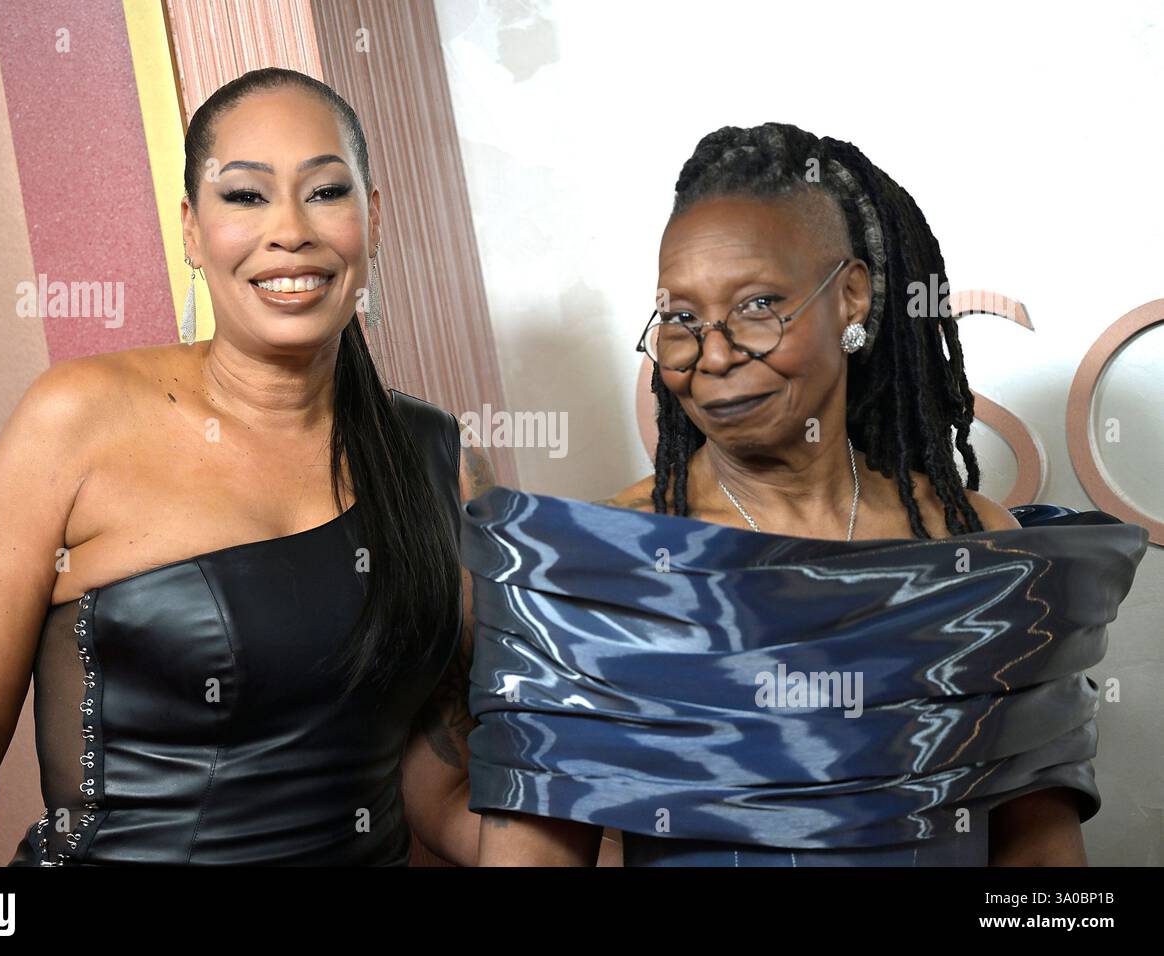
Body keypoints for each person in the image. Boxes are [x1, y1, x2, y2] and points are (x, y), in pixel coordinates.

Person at [464, 123, 1149, 866]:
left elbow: (1041, 864)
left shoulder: (976, 552)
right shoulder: (585, 573)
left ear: (851, 296)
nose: (715, 354)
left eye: (758, 305)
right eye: (681, 319)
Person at [0, 68, 491, 866]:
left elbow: (440, 782)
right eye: (245, 196)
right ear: (190, 229)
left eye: (324, 192)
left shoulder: (440, 462)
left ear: (372, 219)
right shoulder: (76, 418)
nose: (290, 230)